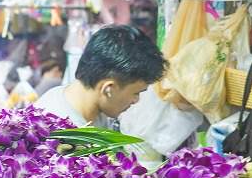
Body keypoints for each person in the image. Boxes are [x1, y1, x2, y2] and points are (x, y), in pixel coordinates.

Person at [36, 24, 166, 128]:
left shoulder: (70, 99)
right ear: (109, 89)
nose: (136, 101)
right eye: (136, 93)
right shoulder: (63, 136)